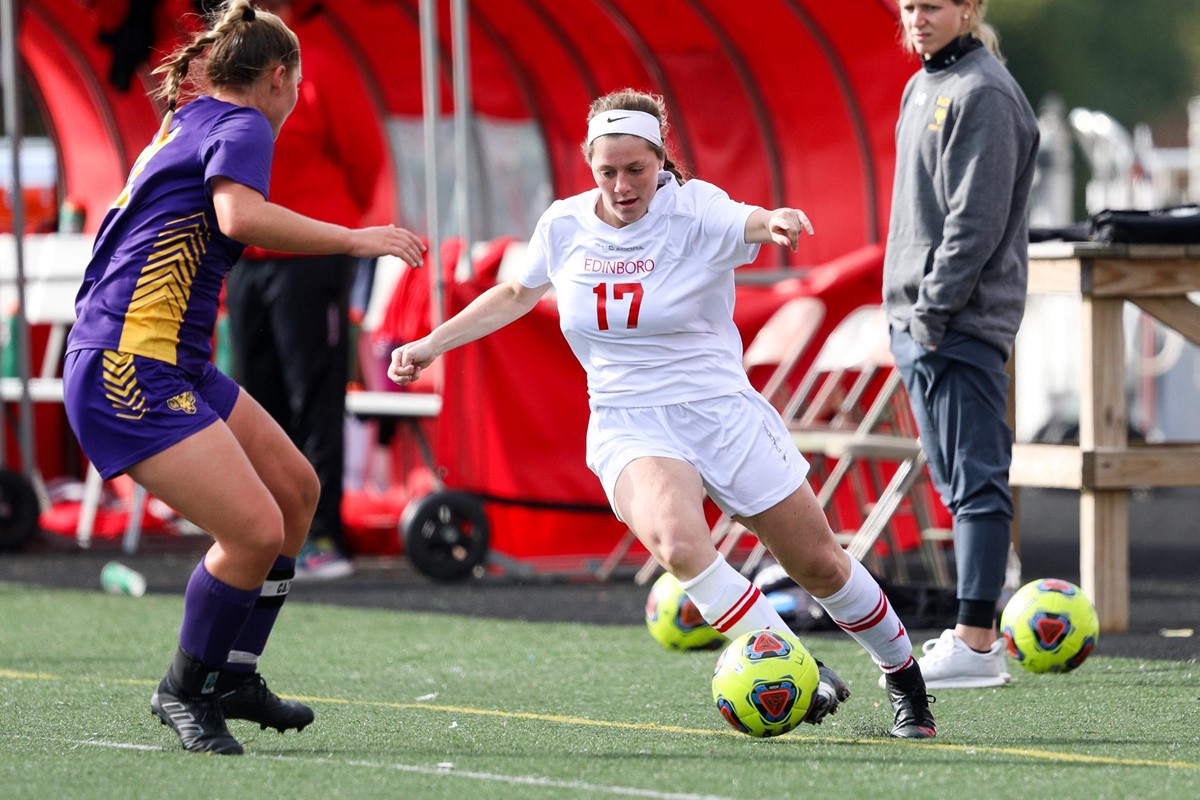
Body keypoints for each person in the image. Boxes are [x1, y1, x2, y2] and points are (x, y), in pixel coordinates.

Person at [389, 88, 937, 739]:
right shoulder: (564, 224)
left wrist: (777, 220)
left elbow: (747, 220)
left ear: (660, 157)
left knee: (818, 564)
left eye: (636, 169)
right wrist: (427, 345)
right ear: (590, 165)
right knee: (678, 545)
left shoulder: (693, 206)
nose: (622, 185)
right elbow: (513, 292)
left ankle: (905, 677)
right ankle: (798, 666)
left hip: (721, 413)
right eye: (607, 170)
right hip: (629, 420)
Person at [62, 0, 425, 755]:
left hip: (165, 358)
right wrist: (357, 240)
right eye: (293, 83)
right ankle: (184, 689)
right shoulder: (247, 122)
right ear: (280, 78)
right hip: (130, 369)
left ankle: (234, 672)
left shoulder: (188, 115)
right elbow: (239, 217)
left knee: (296, 491)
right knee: (254, 529)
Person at [882, 0, 1039, 689]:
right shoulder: (922, 85)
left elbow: (973, 224)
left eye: (933, 5)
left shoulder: (984, 93)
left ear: (969, 9)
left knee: (976, 477)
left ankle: (977, 644)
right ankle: (978, 616)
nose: (917, 16)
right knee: (953, 481)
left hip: (957, 321)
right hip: (919, 320)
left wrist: (932, 314)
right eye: (909, 4)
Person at [225, 0, 384, 580]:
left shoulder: (321, 64)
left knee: (314, 394)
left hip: (309, 259)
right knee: (251, 395)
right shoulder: (232, 66)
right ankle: (263, 528)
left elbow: (365, 161)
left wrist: (330, 233)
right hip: (247, 256)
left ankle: (321, 534)